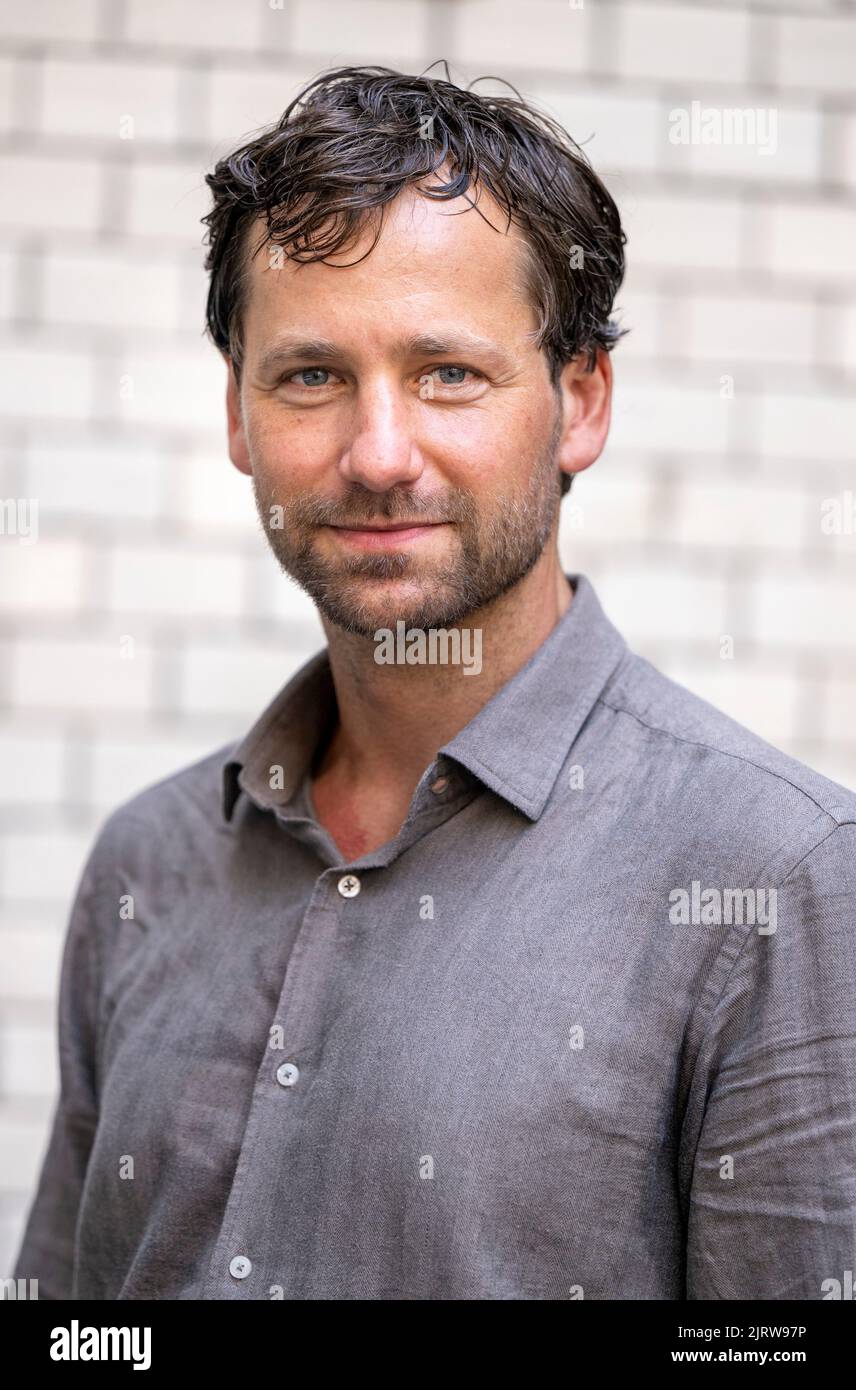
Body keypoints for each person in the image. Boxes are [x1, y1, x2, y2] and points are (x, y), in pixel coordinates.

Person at [13, 64, 856, 1301]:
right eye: (310, 376)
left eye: (447, 373)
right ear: (240, 418)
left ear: (579, 404)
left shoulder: (773, 873)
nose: (377, 453)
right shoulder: (148, 863)